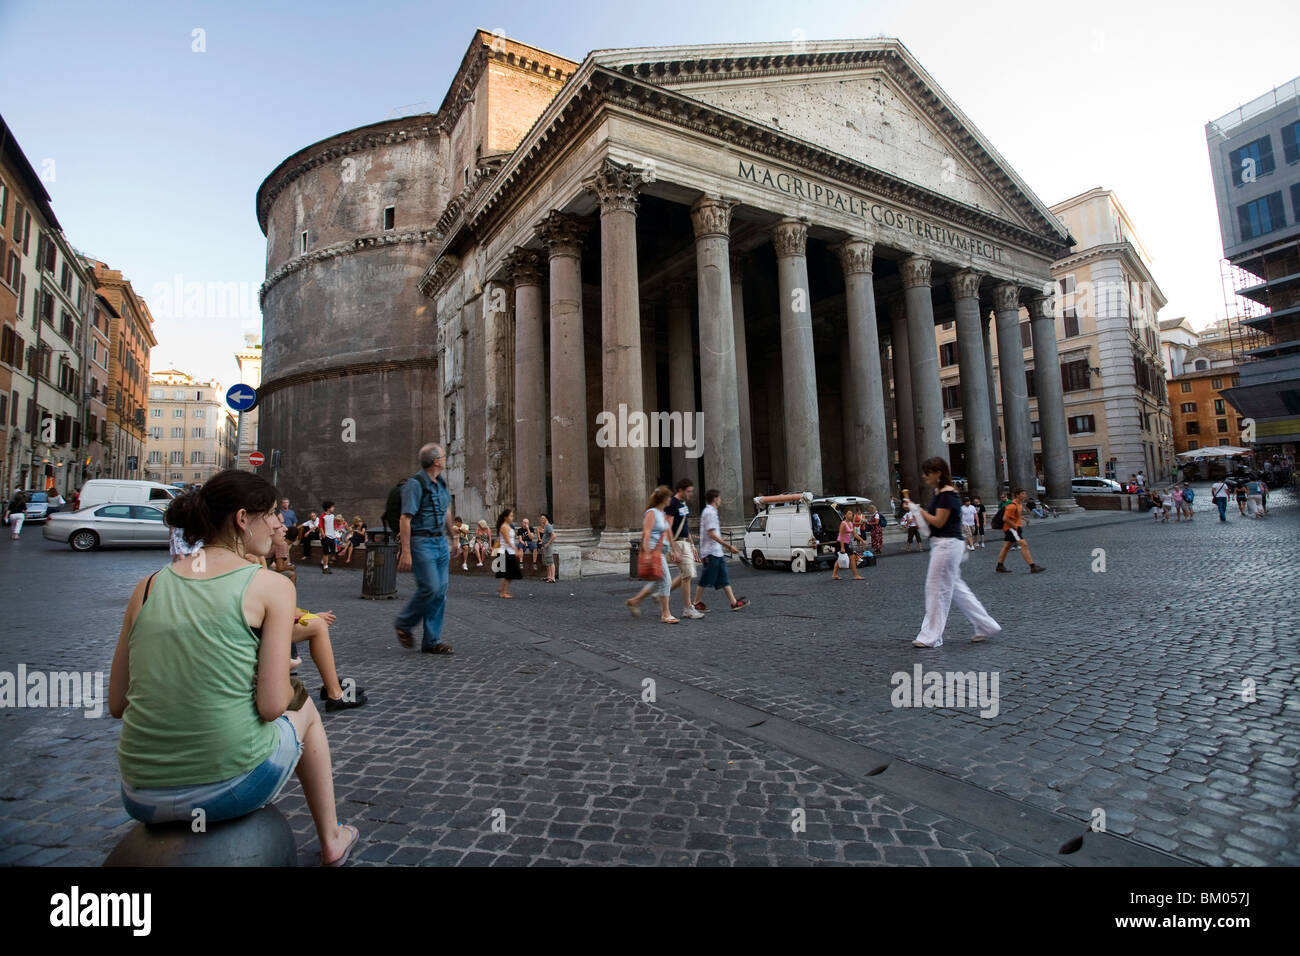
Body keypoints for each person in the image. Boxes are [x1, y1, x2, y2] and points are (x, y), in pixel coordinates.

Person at [108, 470, 359, 866]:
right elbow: (272, 705)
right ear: (243, 519)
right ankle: (332, 838)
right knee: (305, 708)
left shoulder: (149, 585)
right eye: (272, 513)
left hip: (139, 793)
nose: (279, 523)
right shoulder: (271, 585)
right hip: (227, 788)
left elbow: (118, 703)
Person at [911, 456, 1000, 649]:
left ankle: (931, 635)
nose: (924, 476)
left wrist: (918, 510)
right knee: (958, 590)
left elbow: (938, 521)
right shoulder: (941, 493)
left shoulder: (947, 494)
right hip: (946, 544)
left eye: (927, 472)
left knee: (936, 589)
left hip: (946, 545)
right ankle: (986, 625)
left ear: (938, 473)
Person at [395, 443, 460, 654]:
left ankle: (432, 641)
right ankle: (404, 623)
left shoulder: (440, 483)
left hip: (440, 542)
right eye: (443, 455)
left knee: (440, 592)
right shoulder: (415, 484)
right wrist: (406, 552)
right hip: (422, 542)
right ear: (435, 461)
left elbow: (446, 512)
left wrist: (454, 537)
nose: (445, 457)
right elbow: (405, 519)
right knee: (430, 588)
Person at [626, 486, 678, 624]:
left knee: (658, 579)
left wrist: (673, 549)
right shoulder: (652, 513)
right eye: (669, 497)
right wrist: (648, 552)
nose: (671, 500)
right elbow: (647, 533)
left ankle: (635, 601)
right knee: (666, 580)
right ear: (663, 499)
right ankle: (666, 614)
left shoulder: (661, 513)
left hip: (661, 550)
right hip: (654, 551)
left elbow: (668, 532)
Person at [697, 489, 748, 611]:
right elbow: (712, 534)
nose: (721, 500)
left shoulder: (711, 512)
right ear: (715, 498)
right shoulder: (709, 512)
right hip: (711, 552)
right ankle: (695, 603)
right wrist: (729, 546)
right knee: (706, 578)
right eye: (719, 498)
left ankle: (734, 602)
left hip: (716, 552)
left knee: (723, 578)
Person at [665, 479, 704, 619]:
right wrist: (673, 548)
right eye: (688, 491)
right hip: (677, 543)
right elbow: (668, 527)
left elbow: (685, 526)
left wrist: (692, 545)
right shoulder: (672, 503)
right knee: (687, 575)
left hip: (684, 542)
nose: (691, 494)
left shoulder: (683, 504)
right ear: (680, 490)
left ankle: (663, 595)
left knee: (685, 575)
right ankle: (687, 608)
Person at [995, 487, 1045, 574]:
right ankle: (1032, 566)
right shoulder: (1011, 505)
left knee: (1006, 547)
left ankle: (1000, 565)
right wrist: (1014, 526)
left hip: (1014, 527)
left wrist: (1024, 519)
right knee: (1024, 545)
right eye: (1023, 494)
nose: (1025, 495)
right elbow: (1005, 518)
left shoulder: (1019, 504)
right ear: (1017, 495)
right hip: (1012, 528)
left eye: (1025, 493)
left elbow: (1016, 516)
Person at [494, 508, 522, 599]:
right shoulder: (504, 527)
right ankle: (503, 592)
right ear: (505, 517)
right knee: (507, 573)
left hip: (509, 551)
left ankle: (503, 589)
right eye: (510, 516)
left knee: (510, 573)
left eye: (512, 516)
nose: (512, 517)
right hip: (505, 551)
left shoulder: (508, 526)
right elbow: (507, 541)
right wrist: (516, 550)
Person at [832, 508, 866, 580]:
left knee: (840, 559)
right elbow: (841, 535)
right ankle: (855, 575)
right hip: (841, 543)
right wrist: (842, 547)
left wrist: (862, 540)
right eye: (849, 514)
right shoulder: (843, 523)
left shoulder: (850, 523)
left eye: (851, 514)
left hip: (846, 543)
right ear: (845, 515)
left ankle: (834, 574)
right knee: (852, 557)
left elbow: (854, 534)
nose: (851, 515)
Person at [317, 502, 340, 573]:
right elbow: (320, 526)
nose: (334, 508)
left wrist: (336, 530)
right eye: (332, 507)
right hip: (326, 536)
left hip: (332, 536)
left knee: (332, 552)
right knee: (326, 552)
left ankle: (323, 561)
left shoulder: (333, 516)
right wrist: (323, 534)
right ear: (328, 508)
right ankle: (325, 567)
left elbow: (333, 525)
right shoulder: (322, 516)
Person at [539, 513, 557, 583]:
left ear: (546, 519)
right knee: (547, 562)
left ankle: (552, 578)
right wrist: (543, 543)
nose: (541, 519)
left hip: (548, 547)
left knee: (550, 562)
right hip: (545, 547)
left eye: (542, 518)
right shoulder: (546, 526)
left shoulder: (548, 526)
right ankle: (548, 577)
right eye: (541, 518)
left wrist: (548, 543)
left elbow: (554, 535)